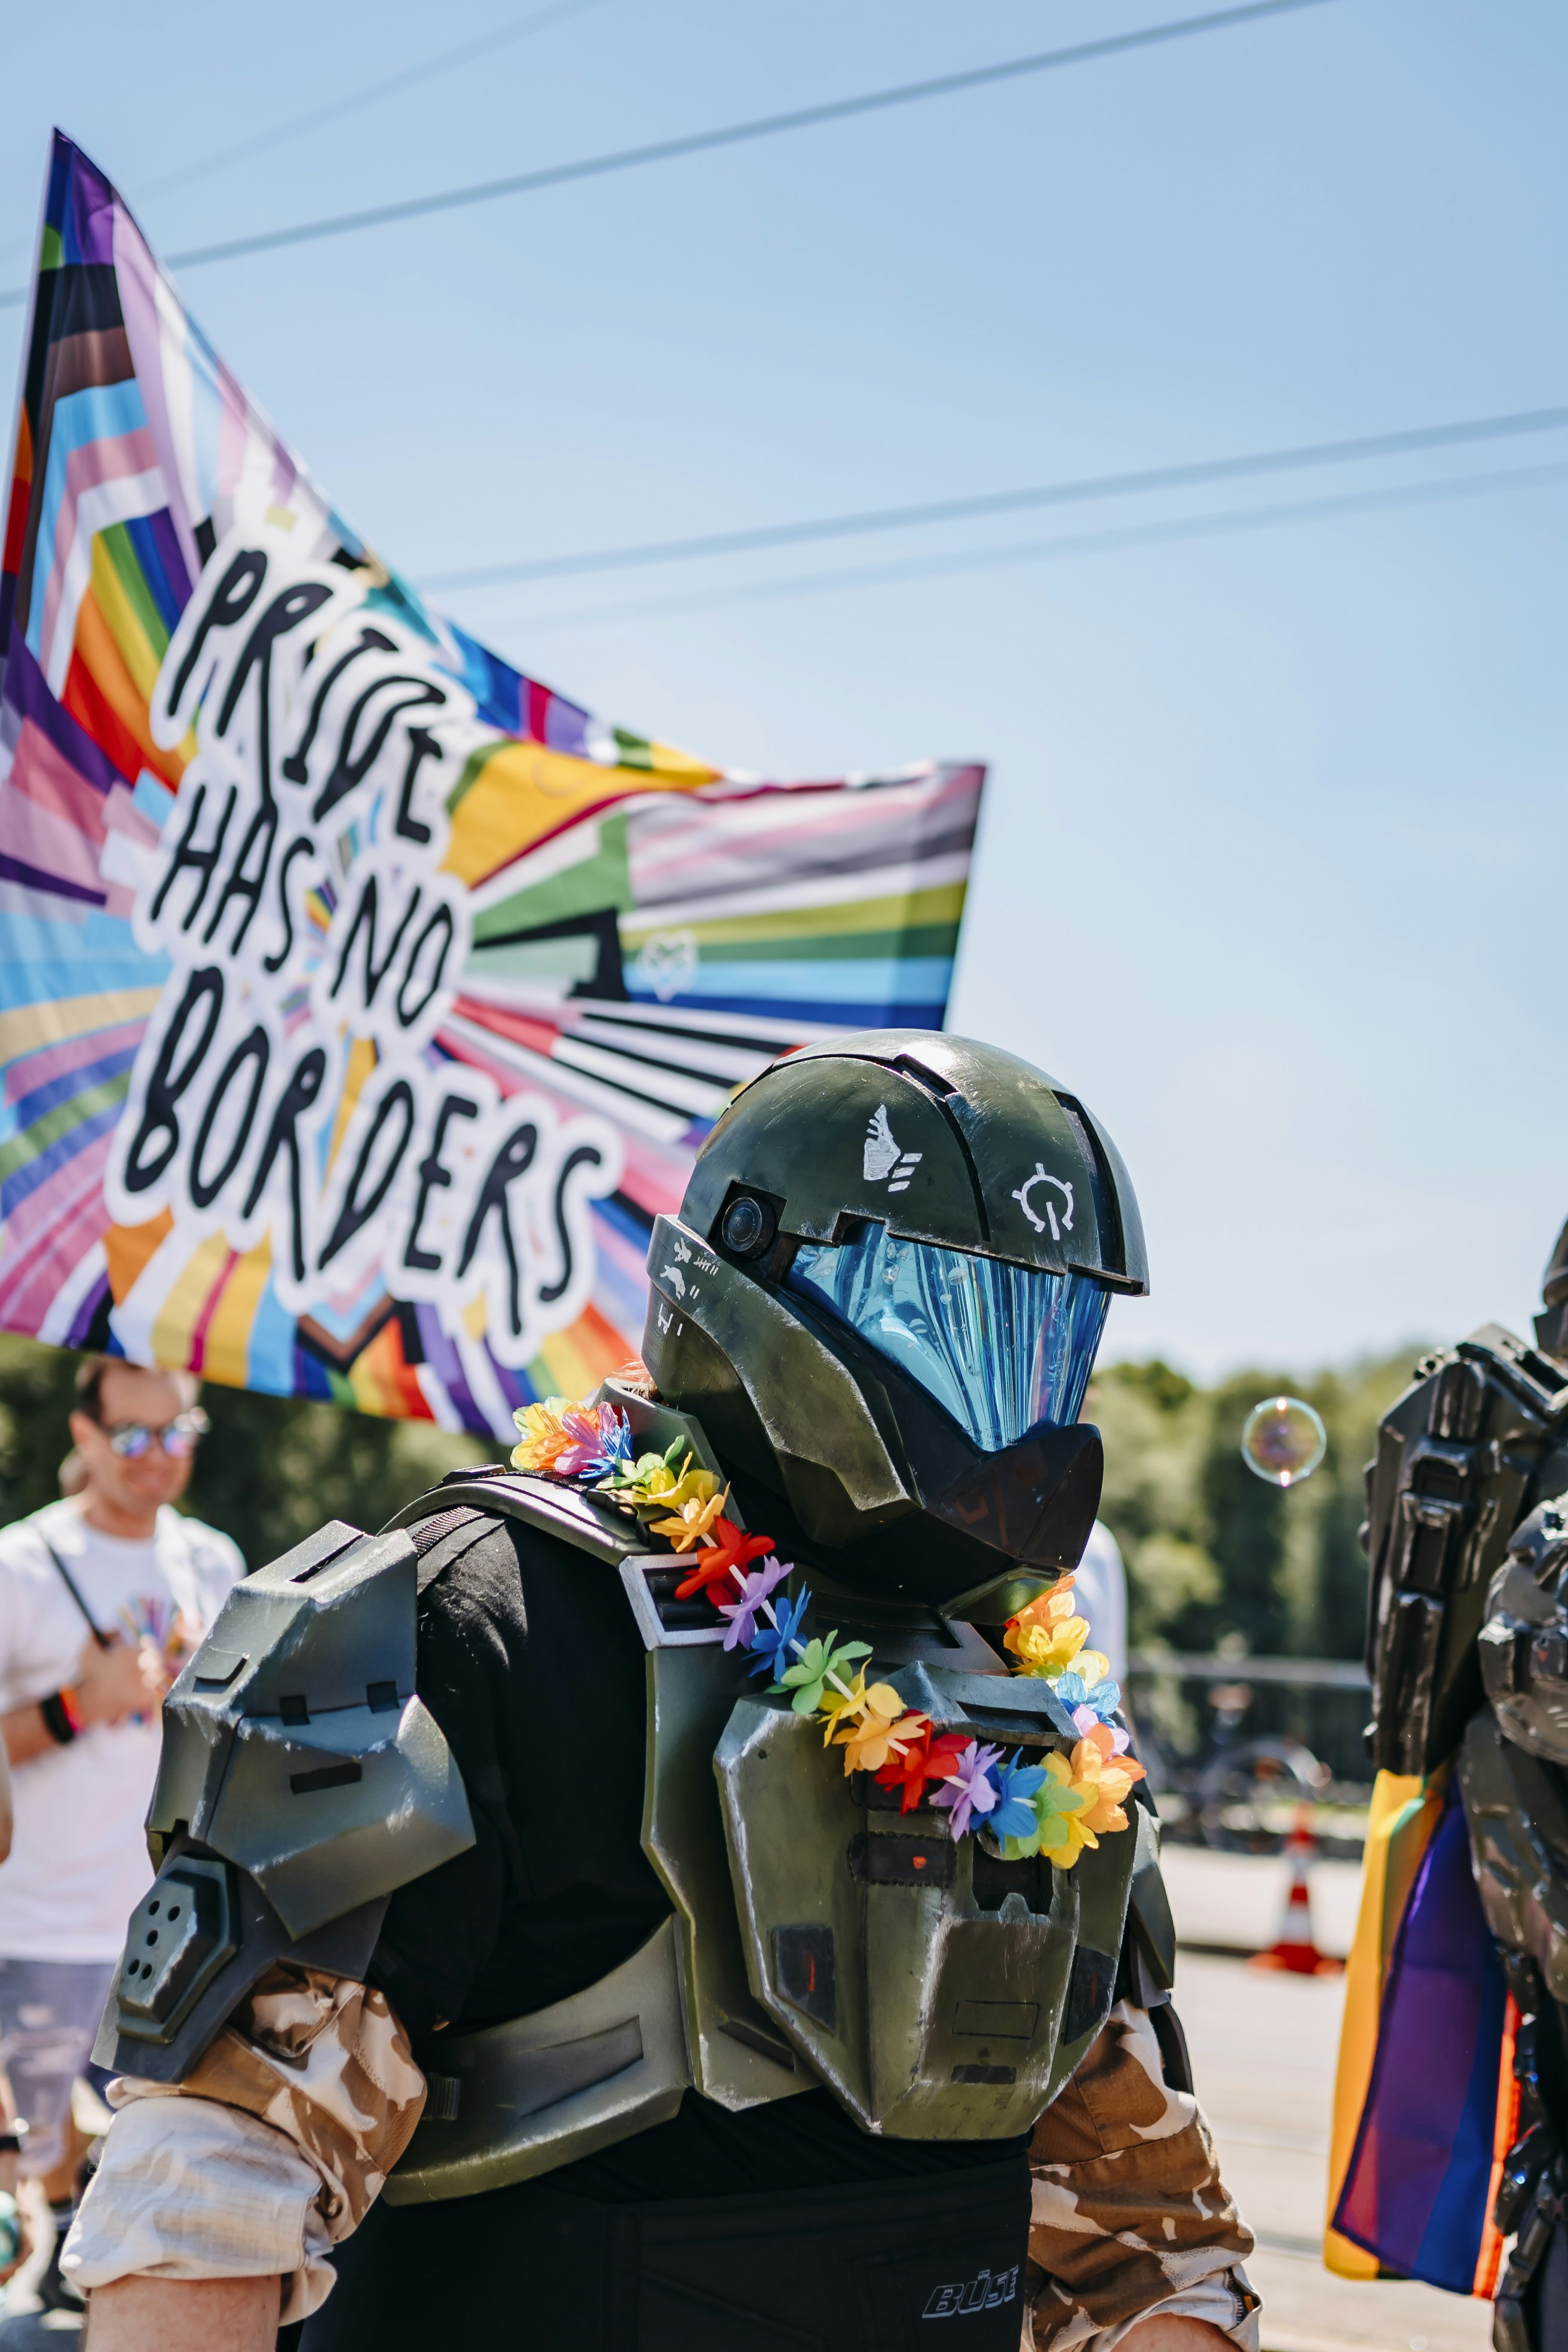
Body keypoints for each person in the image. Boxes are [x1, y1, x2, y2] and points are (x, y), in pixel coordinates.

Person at [66, 1034, 1257, 2352]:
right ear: (749, 1271)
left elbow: (1147, 2243)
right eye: (945, 1317)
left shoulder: (1031, 1689)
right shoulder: (474, 1614)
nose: (1007, 1401)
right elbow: (208, 2196)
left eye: (1046, 1339)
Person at [0, 1355, 242, 2308]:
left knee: (150, 2180)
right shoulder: (21, 1564)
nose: (156, 1457)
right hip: (40, 1928)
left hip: (176, 1927)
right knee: (37, 2200)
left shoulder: (212, 1560)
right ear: (87, 1437)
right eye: (133, 1436)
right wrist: (75, 1706)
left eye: (175, 1432)